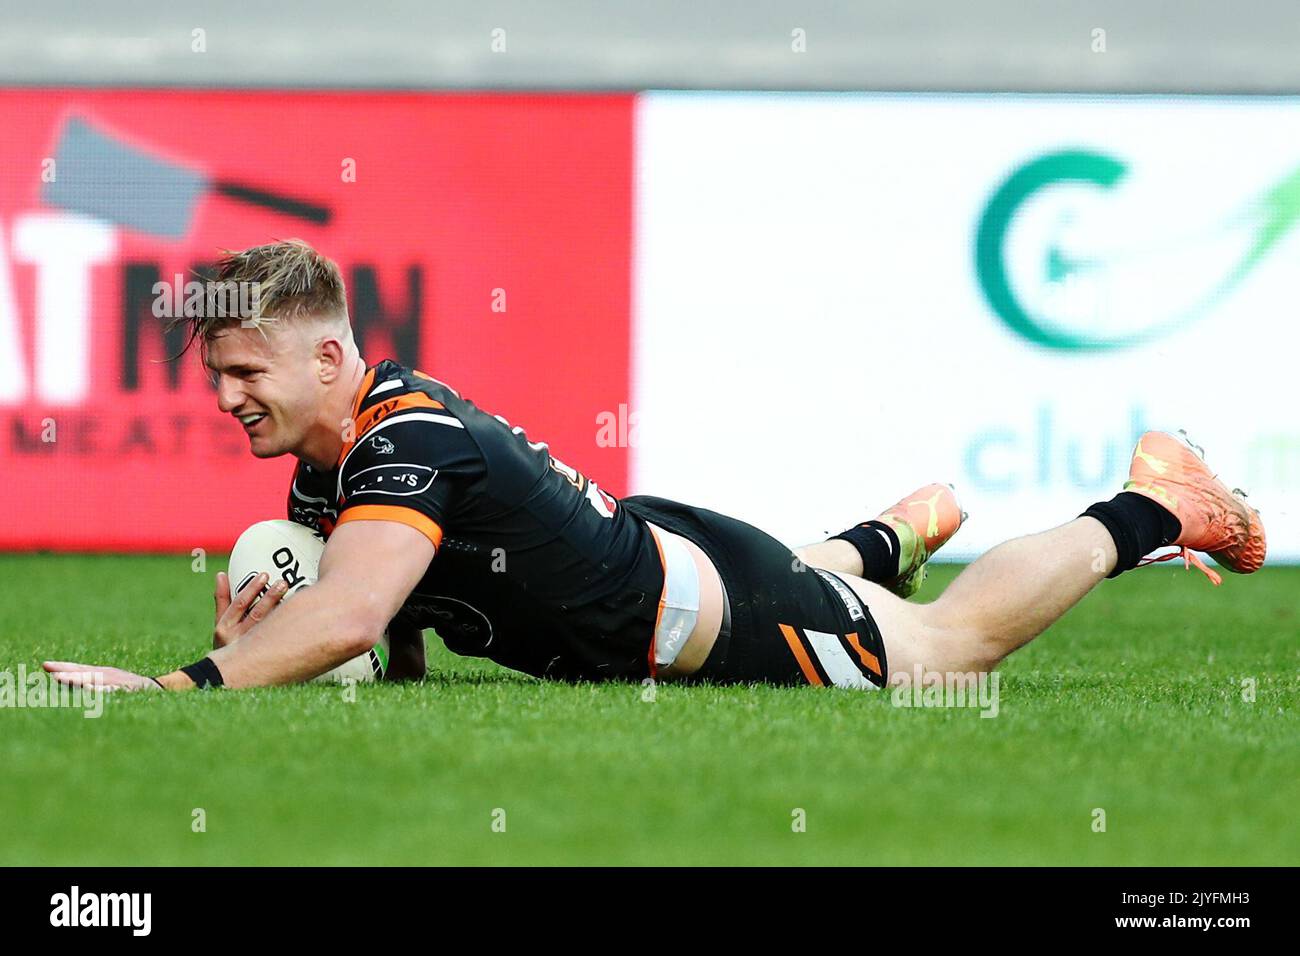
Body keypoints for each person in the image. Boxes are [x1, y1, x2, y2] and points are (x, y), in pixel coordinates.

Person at [44, 240, 1266, 693]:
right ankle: (877, 542)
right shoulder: (338, 464)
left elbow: (358, 604)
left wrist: (180, 685)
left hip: (696, 612)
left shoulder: (401, 441)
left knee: (946, 653)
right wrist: (308, 637)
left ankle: (1151, 496)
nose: (224, 396)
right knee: (849, 597)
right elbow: (384, 629)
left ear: (325, 355)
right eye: (214, 374)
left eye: (246, 371)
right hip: (661, 552)